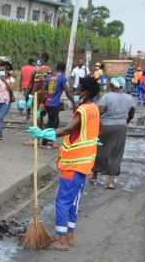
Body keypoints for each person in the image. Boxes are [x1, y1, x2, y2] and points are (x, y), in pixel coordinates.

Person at [28, 76, 101, 251]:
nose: (75, 92)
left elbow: (68, 129)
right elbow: (97, 129)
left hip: (73, 163)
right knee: (73, 201)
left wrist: (45, 133)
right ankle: (70, 237)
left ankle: (61, 241)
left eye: (79, 89)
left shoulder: (83, 110)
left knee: (62, 201)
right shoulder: (94, 109)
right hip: (85, 163)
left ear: (86, 92)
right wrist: (93, 140)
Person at [91, 77, 135, 190]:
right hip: (121, 128)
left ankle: (94, 176)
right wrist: (127, 121)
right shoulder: (129, 98)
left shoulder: (107, 96)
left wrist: (95, 124)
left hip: (106, 127)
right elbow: (132, 113)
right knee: (116, 153)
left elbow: (100, 111)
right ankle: (111, 182)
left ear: (112, 86)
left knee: (99, 150)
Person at [41, 63, 75, 149]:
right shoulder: (62, 78)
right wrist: (74, 102)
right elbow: (67, 92)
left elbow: (43, 90)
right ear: (64, 70)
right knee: (51, 123)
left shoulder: (48, 77)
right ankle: (44, 143)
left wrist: (42, 102)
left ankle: (50, 140)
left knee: (55, 122)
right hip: (54, 104)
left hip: (47, 103)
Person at [0, 63, 15, 143]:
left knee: (0, 118)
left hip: (6, 102)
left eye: (3, 70)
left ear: (7, 71)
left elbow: (11, 89)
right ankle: (0, 134)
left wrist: (5, 80)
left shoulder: (11, 79)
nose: (1, 72)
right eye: (0, 70)